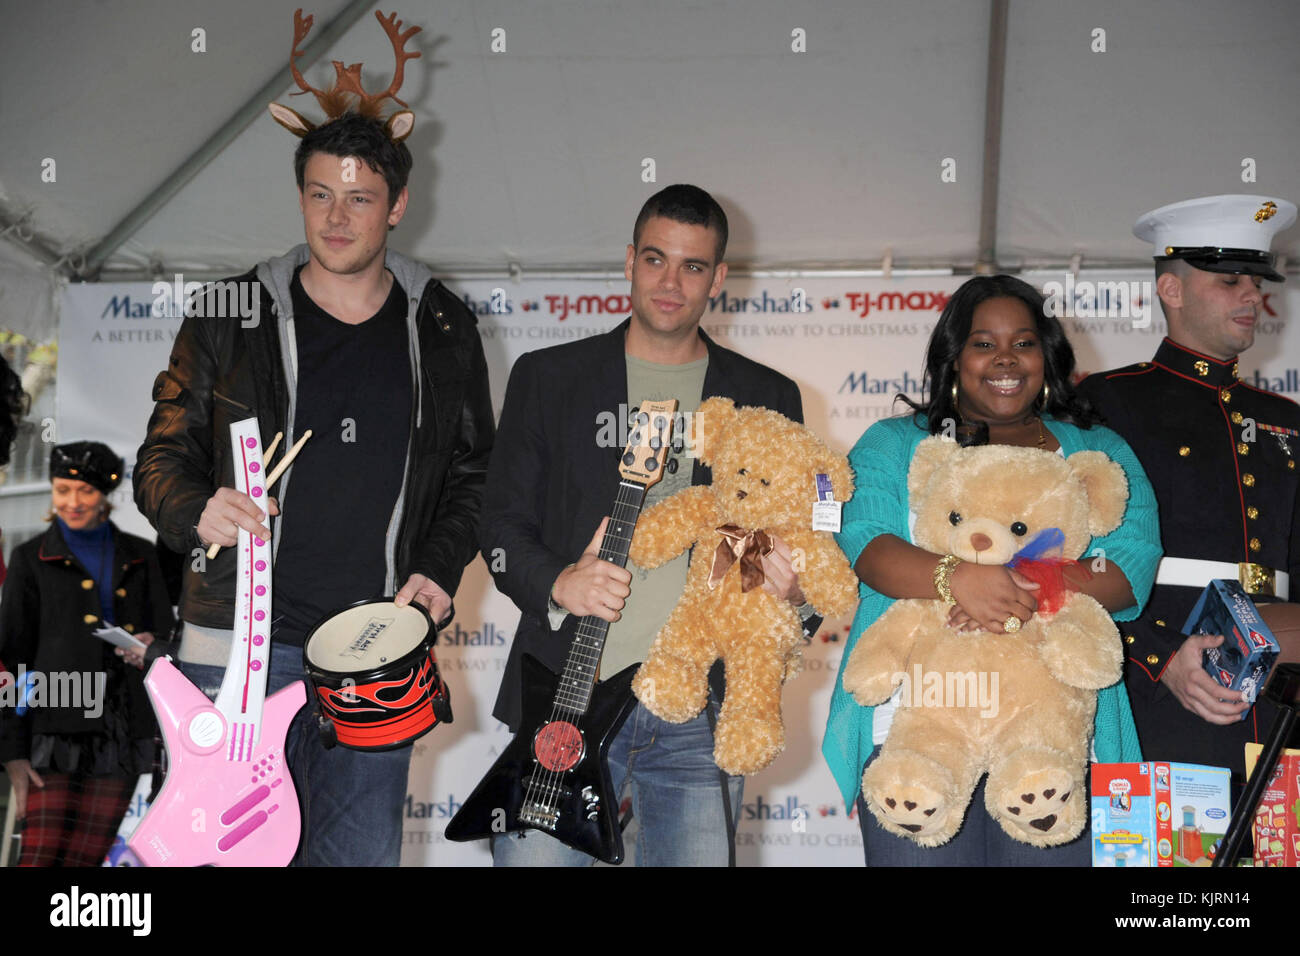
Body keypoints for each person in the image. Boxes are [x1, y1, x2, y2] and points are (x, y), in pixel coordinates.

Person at [133, 102, 494, 862]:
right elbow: (158, 462)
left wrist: (436, 565)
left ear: (397, 205)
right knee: (226, 855)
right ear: (300, 197)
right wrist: (200, 509)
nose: (336, 218)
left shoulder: (445, 327)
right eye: (320, 194)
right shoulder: (229, 315)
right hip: (235, 649)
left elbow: (473, 476)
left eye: (359, 198)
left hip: (375, 659)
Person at [481, 184, 817, 866]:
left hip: (700, 710)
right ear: (630, 260)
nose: (671, 282)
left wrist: (792, 589)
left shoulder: (767, 395)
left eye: (694, 266)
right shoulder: (549, 378)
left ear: (719, 277)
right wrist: (561, 583)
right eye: (657, 260)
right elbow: (499, 522)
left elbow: (792, 540)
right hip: (565, 695)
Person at [823, 274, 1161, 865]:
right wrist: (953, 577)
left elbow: (1126, 565)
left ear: (1047, 357)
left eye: (1024, 342)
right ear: (954, 357)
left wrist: (1023, 587)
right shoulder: (895, 443)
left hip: (1053, 739)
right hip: (915, 731)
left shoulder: (1095, 450)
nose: (1005, 358)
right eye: (983, 343)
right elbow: (866, 543)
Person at [1078, 194, 1299, 784]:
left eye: (1255, 282)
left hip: (1284, 701)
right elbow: (1067, 567)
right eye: (1229, 280)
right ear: (1170, 291)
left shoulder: (1287, 418)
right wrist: (1156, 654)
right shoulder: (1105, 403)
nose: (1253, 296)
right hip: (1160, 695)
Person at [1, 442, 174, 866]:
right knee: (38, 859)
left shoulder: (142, 555)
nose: (72, 502)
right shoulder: (30, 558)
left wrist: (150, 647)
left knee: (84, 864)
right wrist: (13, 752)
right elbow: (12, 659)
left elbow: (164, 635)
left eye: (85, 492)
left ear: (106, 494)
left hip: (122, 729)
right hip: (51, 729)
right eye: (62, 490)